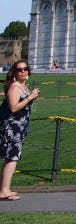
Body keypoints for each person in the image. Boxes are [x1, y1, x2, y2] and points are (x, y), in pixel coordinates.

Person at [0, 60, 40, 200]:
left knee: (11, 158)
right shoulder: (15, 87)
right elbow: (13, 108)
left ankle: (4, 189)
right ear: (14, 72)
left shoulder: (24, 86)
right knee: (12, 158)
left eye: (25, 69)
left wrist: (31, 97)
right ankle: (4, 191)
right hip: (11, 127)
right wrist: (30, 97)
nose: (23, 71)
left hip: (19, 127)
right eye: (19, 69)